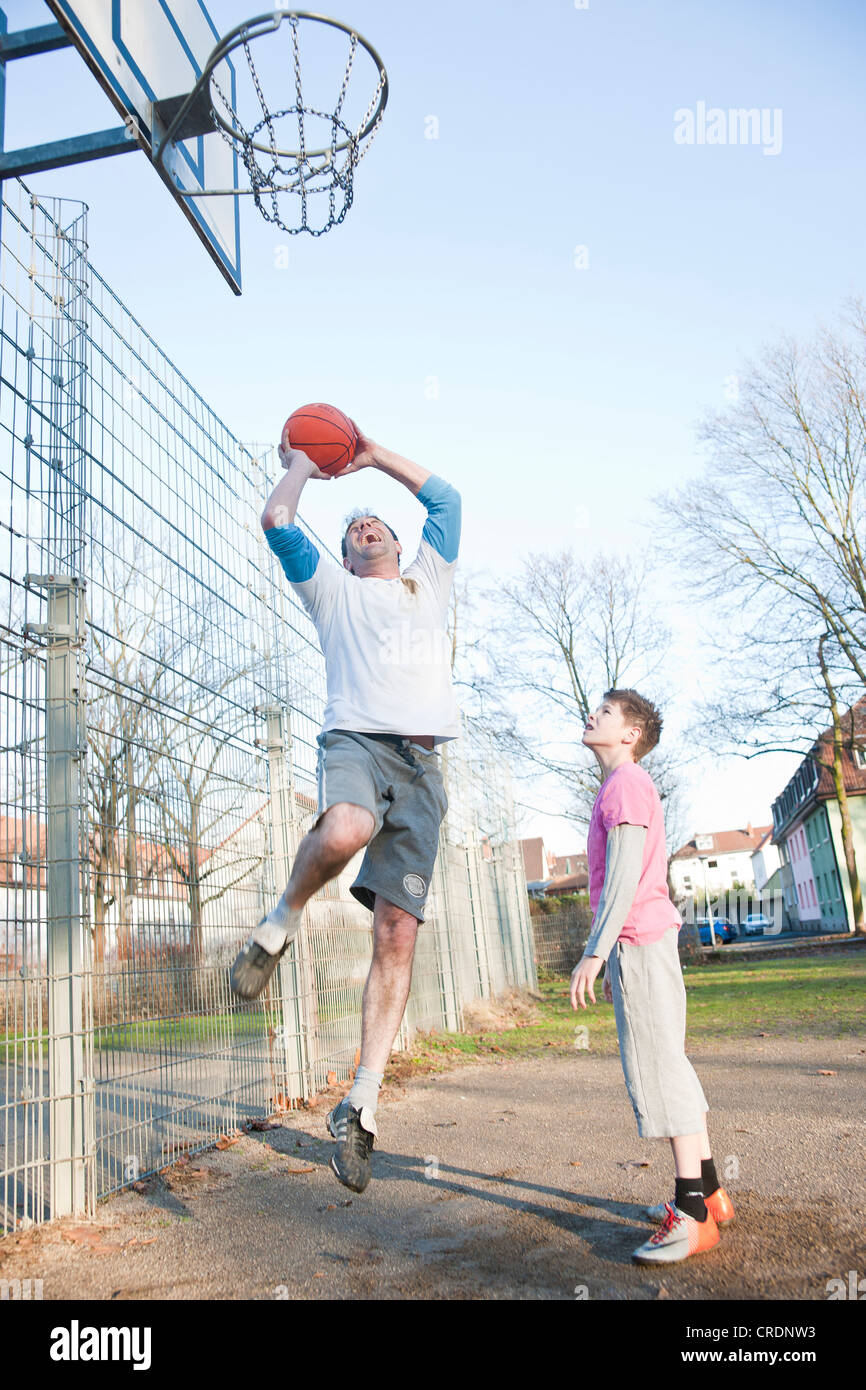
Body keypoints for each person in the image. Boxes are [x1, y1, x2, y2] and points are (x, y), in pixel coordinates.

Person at [230, 421, 460, 1195]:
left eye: (374, 523)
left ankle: (360, 1104)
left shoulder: (430, 582)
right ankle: (280, 922)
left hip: (425, 765)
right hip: (355, 743)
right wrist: (301, 461)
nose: (363, 526)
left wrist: (368, 455)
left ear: (395, 543)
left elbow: (447, 499)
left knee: (397, 935)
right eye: (352, 526)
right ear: (346, 551)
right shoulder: (329, 590)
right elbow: (276, 521)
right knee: (348, 825)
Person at [570, 689, 734, 1264]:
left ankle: (690, 1214)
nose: (593, 716)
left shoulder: (627, 785)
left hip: (637, 939)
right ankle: (710, 1194)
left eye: (606, 713)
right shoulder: (621, 786)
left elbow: (622, 879)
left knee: (659, 1071)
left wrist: (597, 951)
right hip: (641, 943)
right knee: (669, 1061)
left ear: (631, 733)